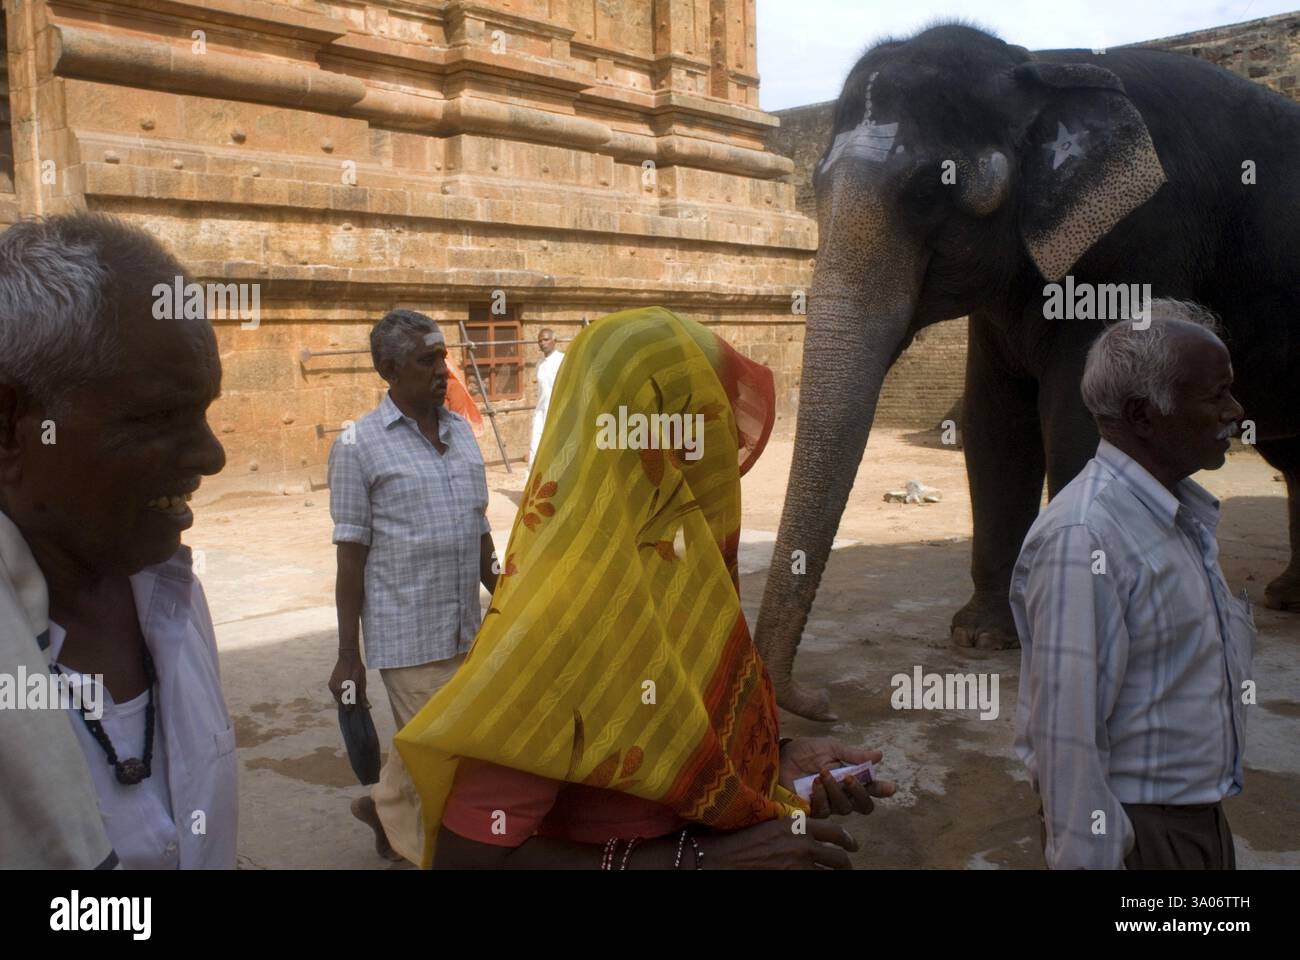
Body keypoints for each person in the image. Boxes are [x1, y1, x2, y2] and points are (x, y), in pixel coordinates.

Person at [396, 306, 895, 869]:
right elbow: (466, 860)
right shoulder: (563, 623)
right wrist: (701, 858)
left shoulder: (691, 581)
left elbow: (670, 748)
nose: (720, 442)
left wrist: (775, 762)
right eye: (704, 419)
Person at [0, 213, 235, 868]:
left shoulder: (174, 601)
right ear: (10, 427)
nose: (211, 455)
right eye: (159, 416)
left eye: (205, 411)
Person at [1013, 299, 1254, 870]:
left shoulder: (1179, 518)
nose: (1235, 411)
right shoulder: (1085, 536)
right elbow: (1067, 740)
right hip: (1139, 836)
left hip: (1196, 823)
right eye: (1215, 395)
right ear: (1144, 415)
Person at [328, 309, 499, 864]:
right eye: (427, 361)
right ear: (388, 369)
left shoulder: (459, 430)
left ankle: (383, 807)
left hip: (466, 627)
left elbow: (478, 527)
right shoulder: (359, 445)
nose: (441, 370)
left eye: (442, 356)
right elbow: (350, 557)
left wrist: (506, 595)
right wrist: (347, 656)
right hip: (407, 634)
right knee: (446, 766)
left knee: (455, 745)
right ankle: (430, 853)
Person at [528, 328, 564, 466]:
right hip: (541, 410)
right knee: (535, 445)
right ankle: (529, 484)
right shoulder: (540, 364)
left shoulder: (562, 360)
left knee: (557, 446)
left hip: (557, 411)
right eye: (540, 341)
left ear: (554, 340)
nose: (543, 343)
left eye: (546, 339)